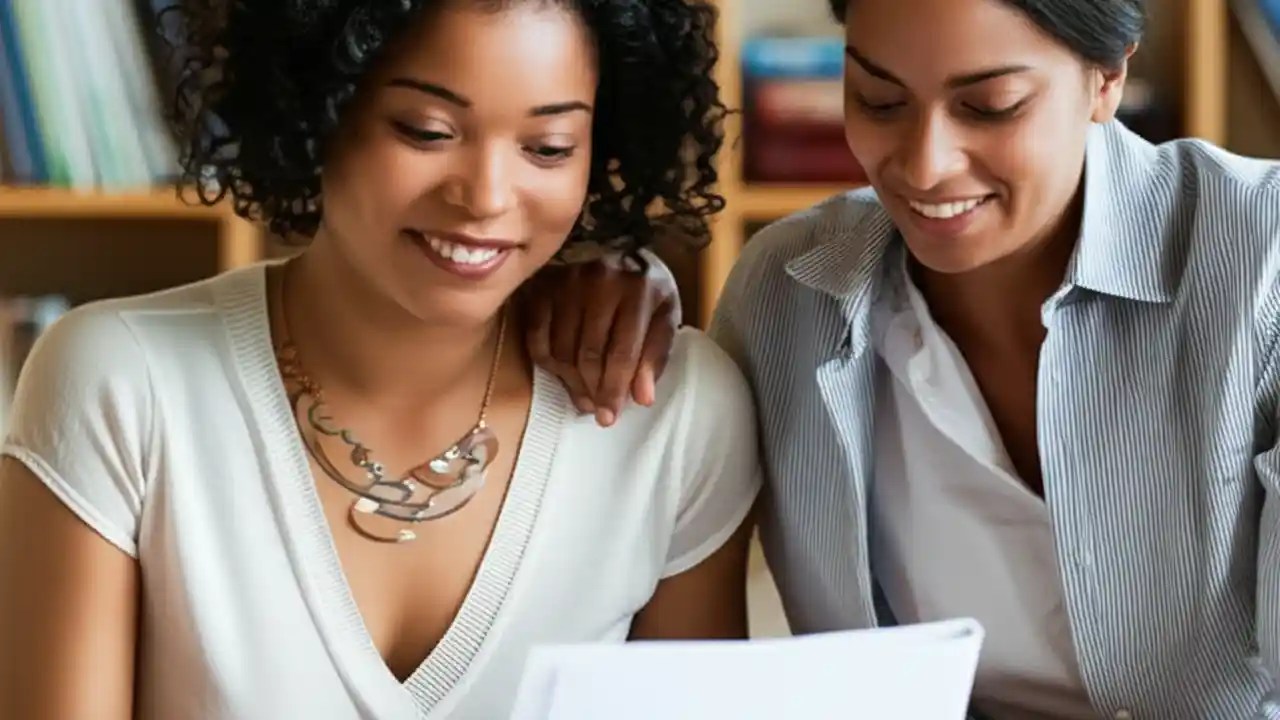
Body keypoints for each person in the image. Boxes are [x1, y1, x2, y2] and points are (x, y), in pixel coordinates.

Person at [0, 2, 762, 719]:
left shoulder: (673, 415)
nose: (487, 195)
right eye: (427, 130)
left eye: (548, 148)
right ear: (315, 108)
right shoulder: (122, 384)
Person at [530, 0, 1280, 717]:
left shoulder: (1261, 264)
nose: (925, 166)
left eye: (990, 106)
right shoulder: (785, 297)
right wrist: (623, 285)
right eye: (880, 100)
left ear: (1108, 77)